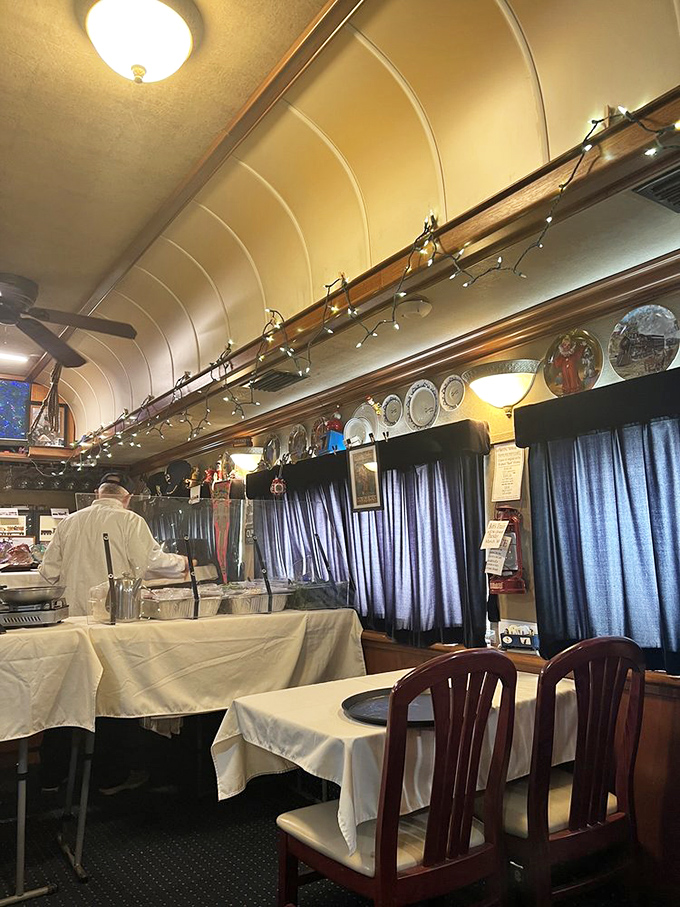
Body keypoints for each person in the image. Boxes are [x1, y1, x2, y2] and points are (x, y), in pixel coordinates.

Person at [39, 472, 188, 616]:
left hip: (72, 613)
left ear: (97, 493)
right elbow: (149, 562)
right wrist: (182, 563)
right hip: (113, 612)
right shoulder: (131, 520)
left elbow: (49, 572)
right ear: (128, 497)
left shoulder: (68, 521)